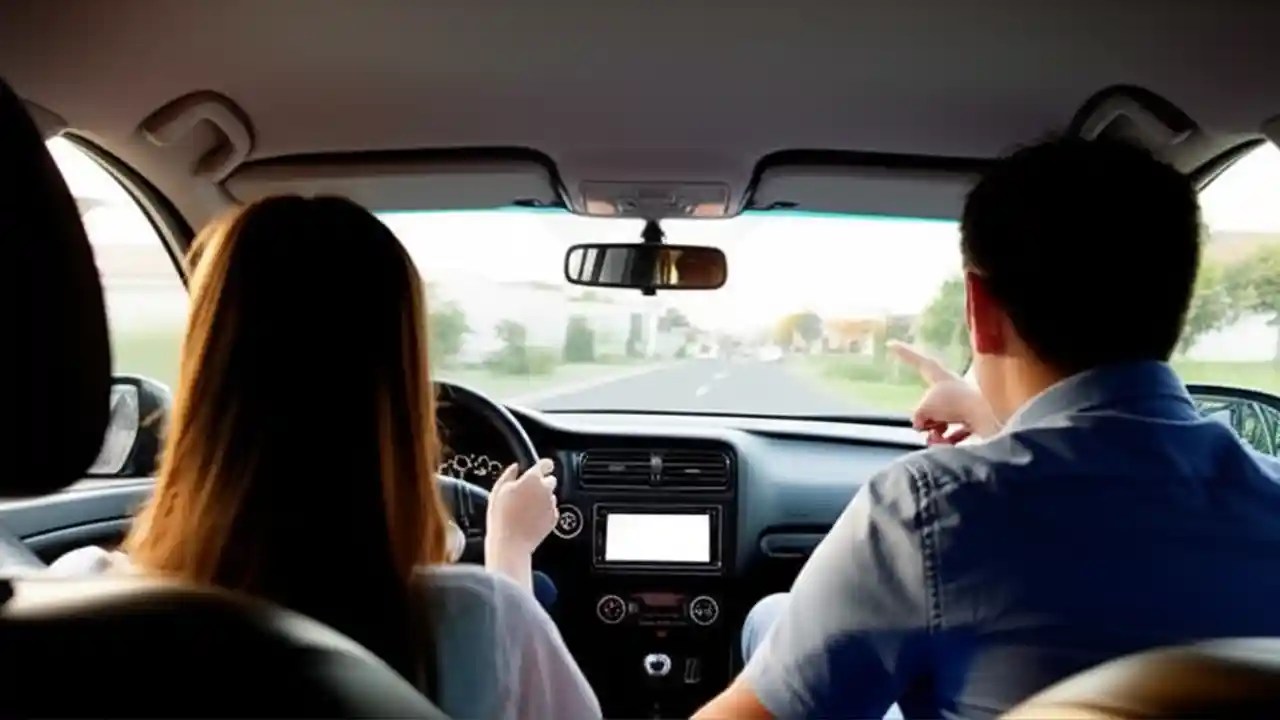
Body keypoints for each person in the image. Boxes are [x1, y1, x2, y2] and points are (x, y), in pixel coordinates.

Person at [695, 137, 1280, 720]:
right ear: (1174, 299)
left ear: (977, 308)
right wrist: (990, 415)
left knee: (772, 621)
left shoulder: (930, 511)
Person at [48, 196, 600, 720]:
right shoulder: (481, 619)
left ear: (204, 380)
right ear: (399, 405)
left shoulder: (83, 603)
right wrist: (508, 549)